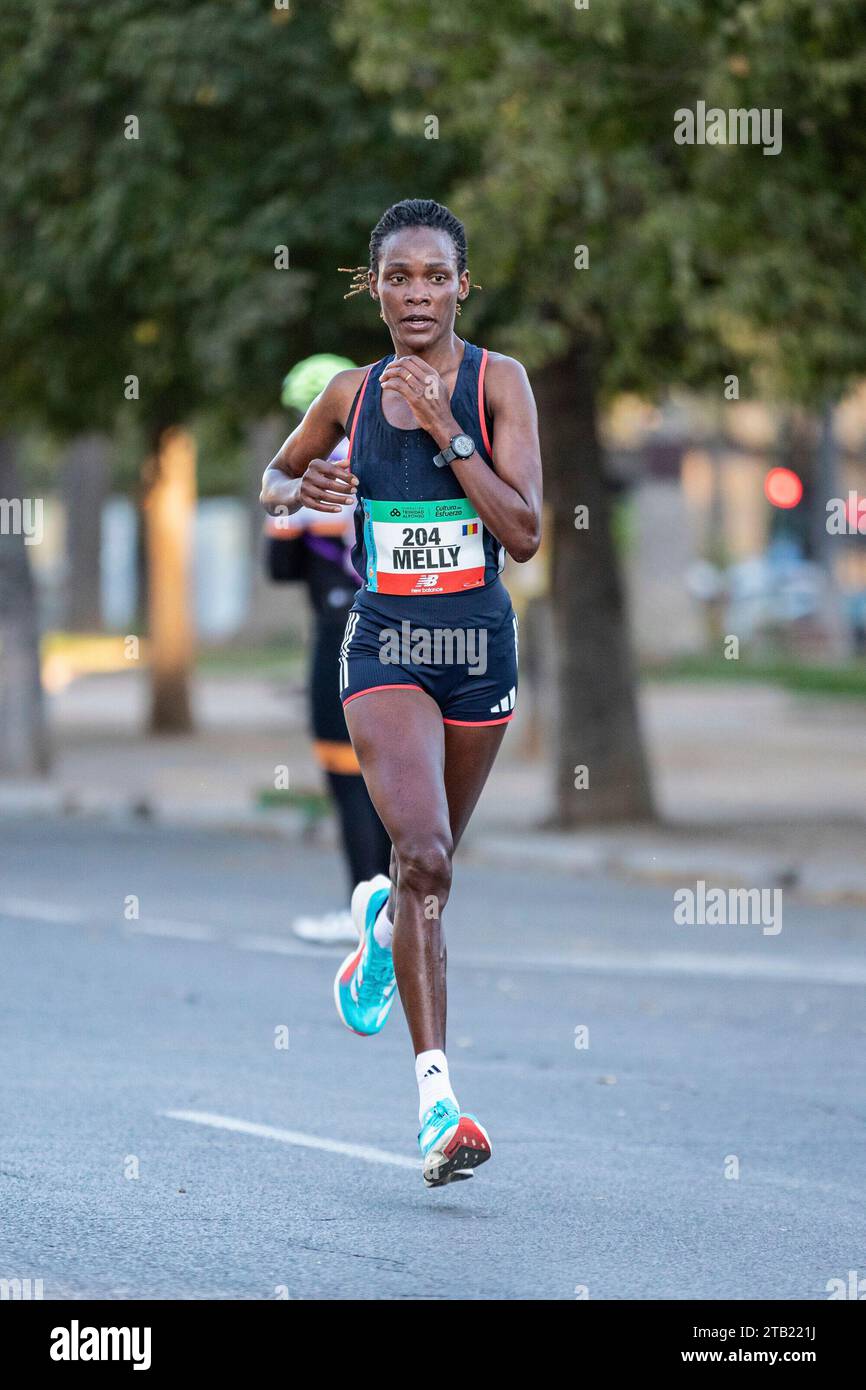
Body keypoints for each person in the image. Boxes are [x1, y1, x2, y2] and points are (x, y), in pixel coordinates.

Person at [261, 198, 542, 1186]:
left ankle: (380, 934)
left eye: (434, 276)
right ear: (372, 289)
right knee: (421, 852)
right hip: (383, 645)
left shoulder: (497, 383)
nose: (416, 293)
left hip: (475, 647)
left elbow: (522, 531)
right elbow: (273, 475)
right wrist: (302, 492)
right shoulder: (345, 392)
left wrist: (446, 433)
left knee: (430, 871)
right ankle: (436, 1106)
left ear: (461, 286)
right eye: (397, 277)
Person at [265, 355, 391, 944]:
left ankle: (361, 904)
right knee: (394, 774)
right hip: (397, 626)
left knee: (346, 773)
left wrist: (284, 517)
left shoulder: (313, 474)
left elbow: (281, 569)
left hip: (341, 631)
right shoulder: (382, 455)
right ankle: (398, 910)